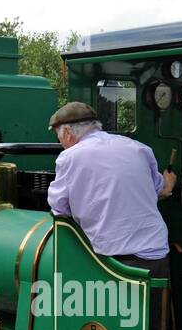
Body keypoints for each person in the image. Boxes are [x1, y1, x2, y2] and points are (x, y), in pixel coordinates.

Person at [46, 102, 175, 277]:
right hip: (155, 251)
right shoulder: (139, 148)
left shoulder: (69, 157)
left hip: (114, 258)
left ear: (67, 133)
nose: (60, 143)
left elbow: (59, 208)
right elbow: (160, 190)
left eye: (58, 136)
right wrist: (169, 182)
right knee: (155, 304)